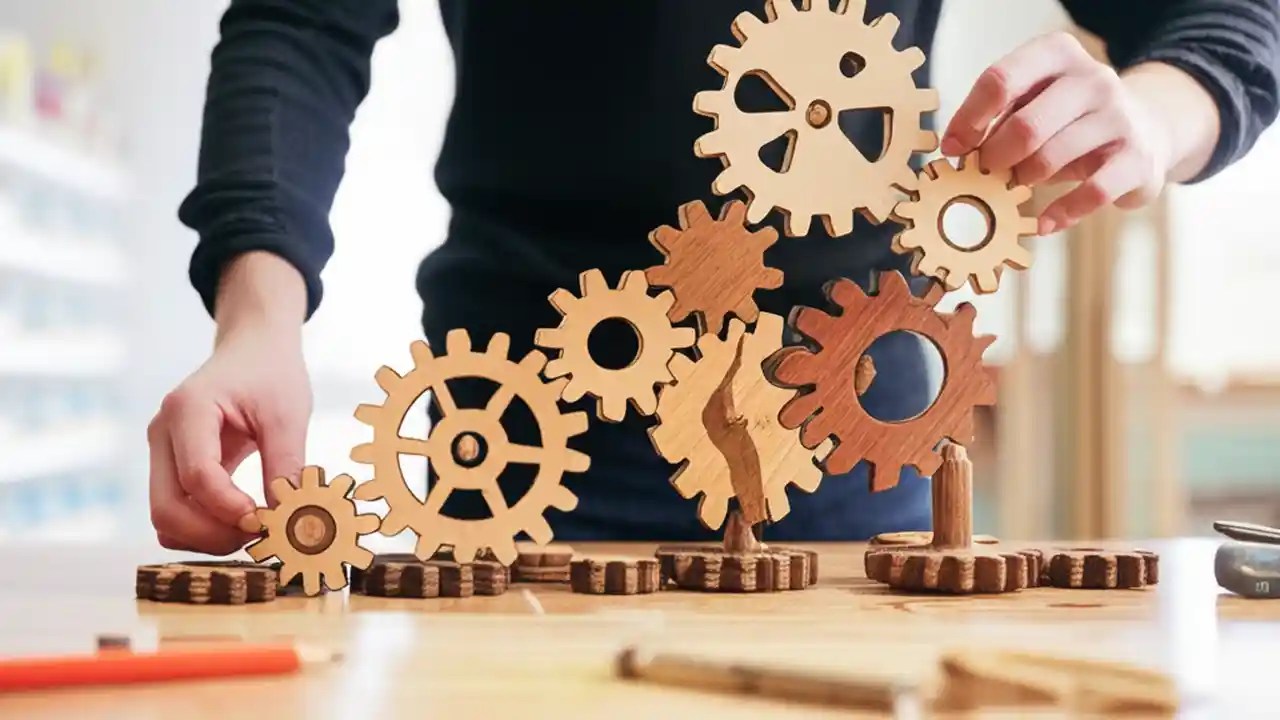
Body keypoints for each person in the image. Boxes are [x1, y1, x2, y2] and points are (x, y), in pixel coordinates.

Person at [148, 0, 1279, 555]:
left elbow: (1228, 23)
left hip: (845, 425)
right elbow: (299, 22)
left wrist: (1154, 109)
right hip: (517, 433)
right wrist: (258, 314)